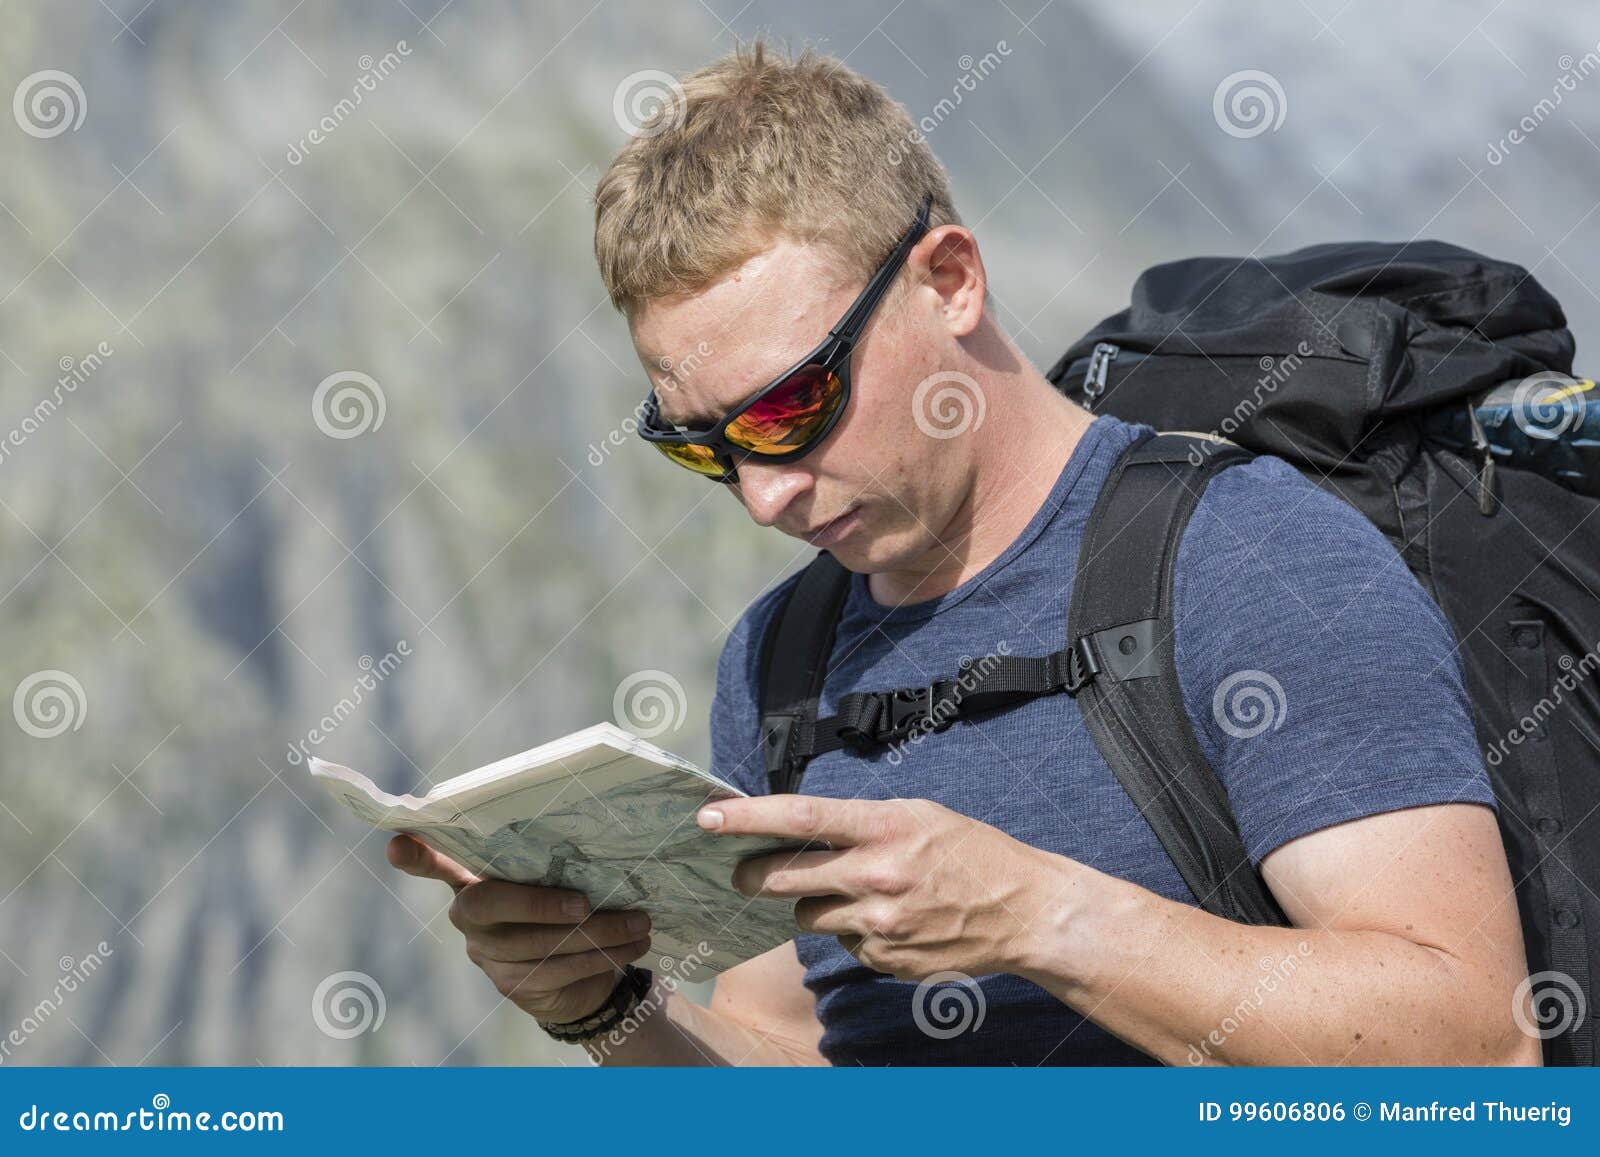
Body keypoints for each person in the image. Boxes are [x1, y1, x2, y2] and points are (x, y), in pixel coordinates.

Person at [388, 40, 1538, 1066]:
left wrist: (1042, 916)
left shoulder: (1252, 561)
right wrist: (611, 1012)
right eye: (702, 447)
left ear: (947, 279)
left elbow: (1476, 1047)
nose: (763, 494)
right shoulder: (782, 660)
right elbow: (793, 1055)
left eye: (792, 408)